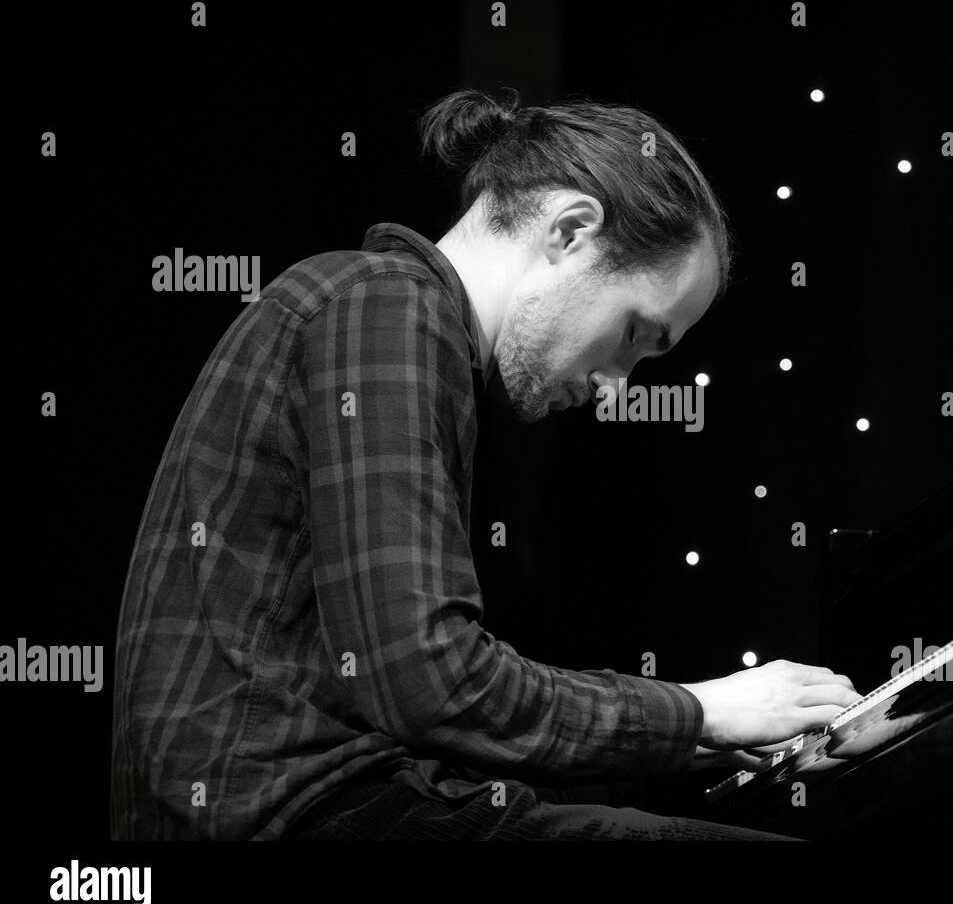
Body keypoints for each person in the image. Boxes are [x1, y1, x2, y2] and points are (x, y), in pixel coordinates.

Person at [110, 89, 859, 840]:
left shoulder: (390, 314)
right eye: (636, 333)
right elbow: (434, 682)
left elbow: (426, 699)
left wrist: (705, 735)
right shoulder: (384, 305)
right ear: (569, 231)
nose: (617, 388)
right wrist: (707, 710)